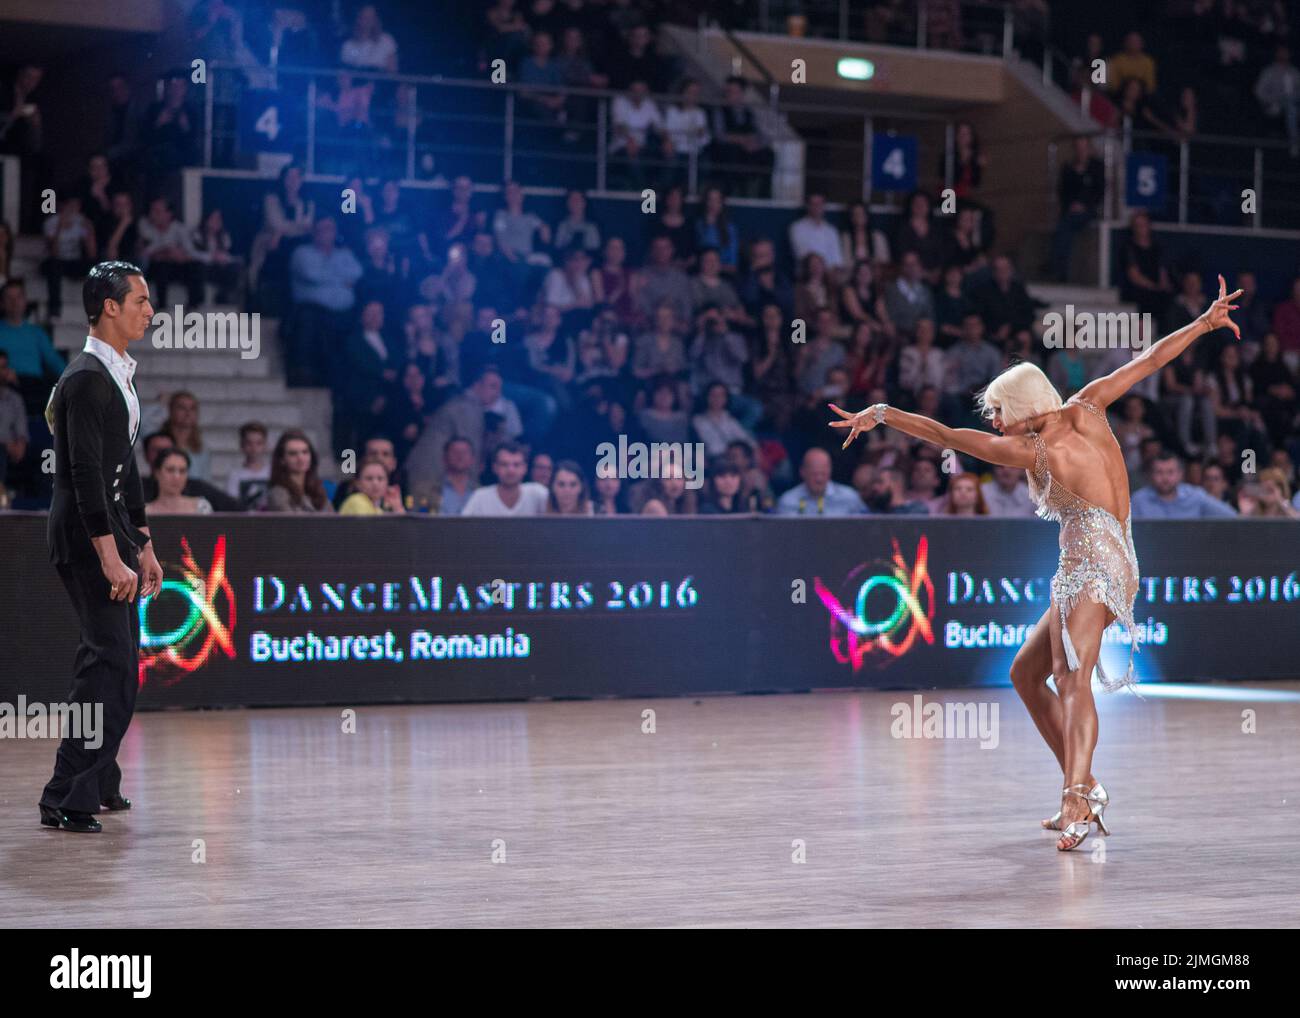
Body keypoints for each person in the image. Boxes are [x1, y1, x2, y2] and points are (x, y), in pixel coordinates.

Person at [830, 273, 1245, 850]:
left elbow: (948, 435)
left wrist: (883, 412)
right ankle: (1086, 786)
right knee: (1027, 673)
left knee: (1074, 684)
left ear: (1024, 408)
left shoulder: (1033, 449)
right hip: (1110, 560)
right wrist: (1203, 323)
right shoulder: (1091, 403)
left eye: (999, 410)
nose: (994, 421)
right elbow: (1149, 360)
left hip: (1093, 567)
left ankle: (1077, 800)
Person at [41, 261, 164, 834]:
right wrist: (109, 555)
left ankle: (101, 779)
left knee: (120, 663)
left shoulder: (118, 374)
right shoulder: (87, 378)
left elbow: (126, 466)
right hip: (85, 537)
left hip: (111, 534)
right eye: (140, 300)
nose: (150, 309)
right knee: (107, 661)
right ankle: (66, 792)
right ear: (108, 307)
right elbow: (86, 474)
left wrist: (143, 541)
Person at [1131, 450, 1239, 519]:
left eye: (1170, 472)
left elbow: (1231, 516)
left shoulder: (1196, 496)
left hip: (1189, 553)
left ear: (1180, 474)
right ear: (1151, 475)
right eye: (1159, 472)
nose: (1165, 478)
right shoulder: (1138, 500)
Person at [461, 441, 550, 516]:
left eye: (516, 465)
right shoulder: (480, 497)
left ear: (525, 468)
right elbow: (461, 529)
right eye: (504, 464)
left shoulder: (538, 493)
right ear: (494, 467)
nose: (511, 470)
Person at [774, 447, 866, 516]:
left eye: (823, 473)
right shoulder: (788, 501)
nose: (819, 479)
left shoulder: (850, 497)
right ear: (802, 472)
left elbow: (865, 529)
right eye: (814, 474)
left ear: (830, 471)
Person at [264, 428, 334, 512]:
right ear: (282, 460)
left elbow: (334, 520)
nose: (301, 458)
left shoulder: (318, 490)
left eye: (305, 452)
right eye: (293, 454)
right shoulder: (277, 494)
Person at [145, 447, 212, 514]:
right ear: (157, 473)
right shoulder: (145, 512)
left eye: (182, 471)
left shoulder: (201, 507)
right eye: (170, 470)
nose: (177, 477)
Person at [339, 455, 405, 515]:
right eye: (369, 478)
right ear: (357, 483)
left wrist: (397, 507)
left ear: (387, 482)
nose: (375, 483)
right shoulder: (357, 501)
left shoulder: (377, 509)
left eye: (380, 479)